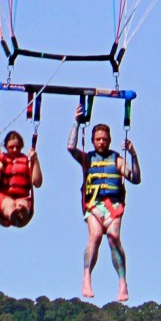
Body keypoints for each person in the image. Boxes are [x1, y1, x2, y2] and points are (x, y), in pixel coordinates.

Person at [68, 113, 141, 301]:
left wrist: (133, 155)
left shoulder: (117, 159)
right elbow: (70, 147)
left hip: (113, 206)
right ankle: (86, 277)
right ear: (93, 141)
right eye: (98, 139)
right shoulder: (87, 159)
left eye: (105, 139)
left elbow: (135, 178)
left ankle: (122, 282)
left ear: (109, 140)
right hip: (94, 205)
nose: (101, 142)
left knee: (114, 236)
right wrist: (77, 122)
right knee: (95, 235)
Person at [0, 128, 42, 227]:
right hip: (5, 197)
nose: (14, 150)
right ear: (6, 147)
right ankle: (12, 215)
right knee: (8, 204)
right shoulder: (1, 160)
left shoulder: (27, 161)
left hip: (22, 197)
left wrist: (35, 160)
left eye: (17, 147)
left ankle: (21, 214)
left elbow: (37, 183)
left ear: (21, 147)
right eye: (11, 147)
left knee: (22, 204)